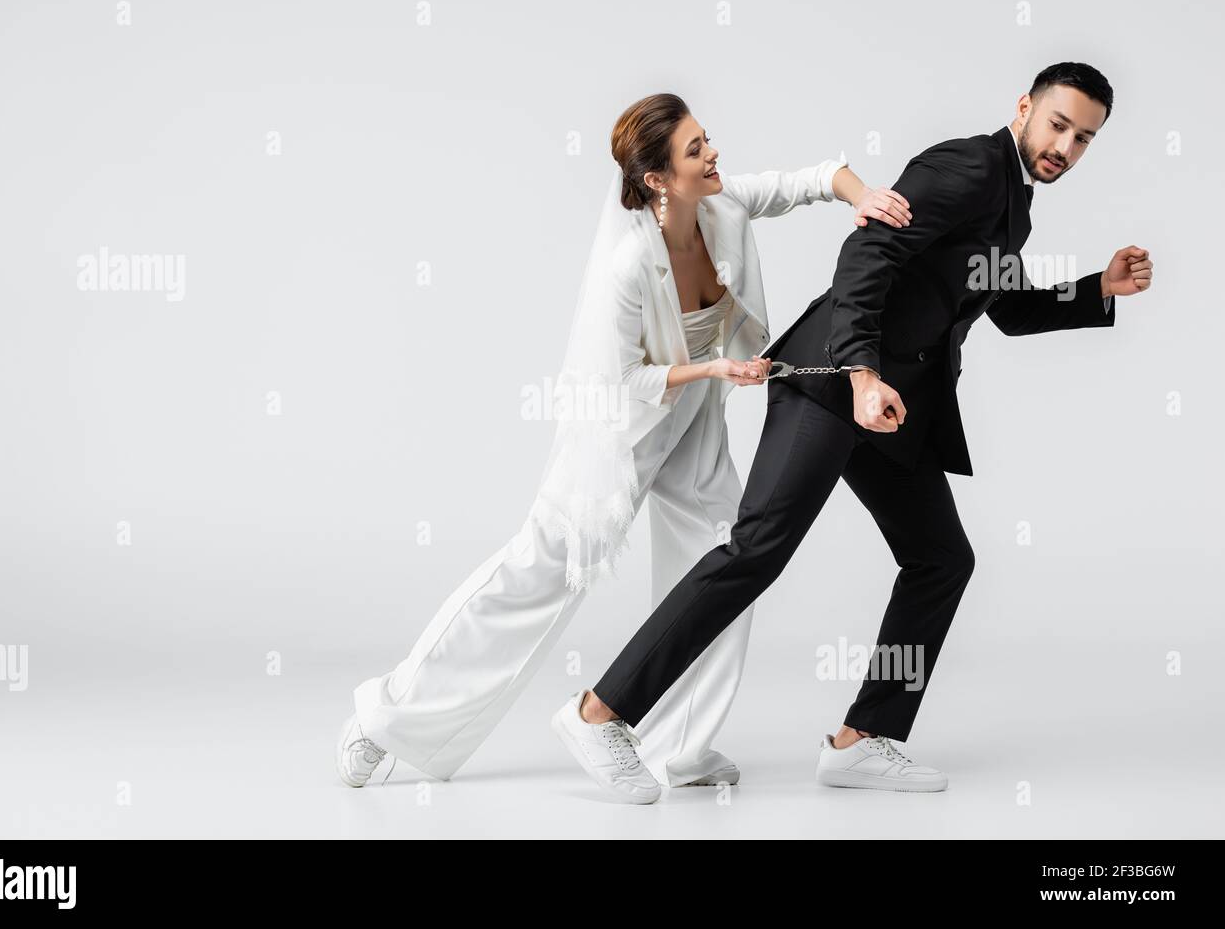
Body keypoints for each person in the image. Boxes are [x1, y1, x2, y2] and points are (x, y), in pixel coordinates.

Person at [554, 63, 1154, 803]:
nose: (1066, 145)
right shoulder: (966, 166)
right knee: (756, 551)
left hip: (890, 404)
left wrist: (1098, 287)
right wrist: (863, 375)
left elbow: (1005, 308)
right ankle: (599, 713)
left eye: (1084, 138)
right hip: (834, 378)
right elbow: (866, 252)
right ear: (1025, 107)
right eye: (1059, 124)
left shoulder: (1013, 203)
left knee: (941, 559)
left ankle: (863, 740)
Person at [337, 93, 912, 798]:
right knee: (536, 574)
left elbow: (814, 179)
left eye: (708, 139)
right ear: (658, 180)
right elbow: (626, 378)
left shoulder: (723, 205)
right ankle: (384, 721)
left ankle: (681, 747)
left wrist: (867, 198)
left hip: (694, 420)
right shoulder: (627, 266)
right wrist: (714, 367)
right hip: (622, 429)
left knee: (732, 555)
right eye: (696, 149)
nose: (714, 155)